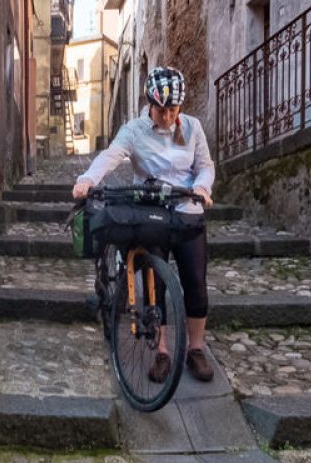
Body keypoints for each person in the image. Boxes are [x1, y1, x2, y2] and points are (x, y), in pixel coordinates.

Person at [71, 66, 215, 382]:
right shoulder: (135, 130)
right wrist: (87, 180)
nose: (166, 117)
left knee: (196, 284)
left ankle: (196, 349)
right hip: (153, 211)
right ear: (150, 104)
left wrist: (203, 188)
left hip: (187, 209)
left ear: (180, 107)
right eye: (161, 110)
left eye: (172, 110)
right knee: (155, 284)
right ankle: (162, 351)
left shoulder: (192, 127)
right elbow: (111, 156)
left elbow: (204, 165)